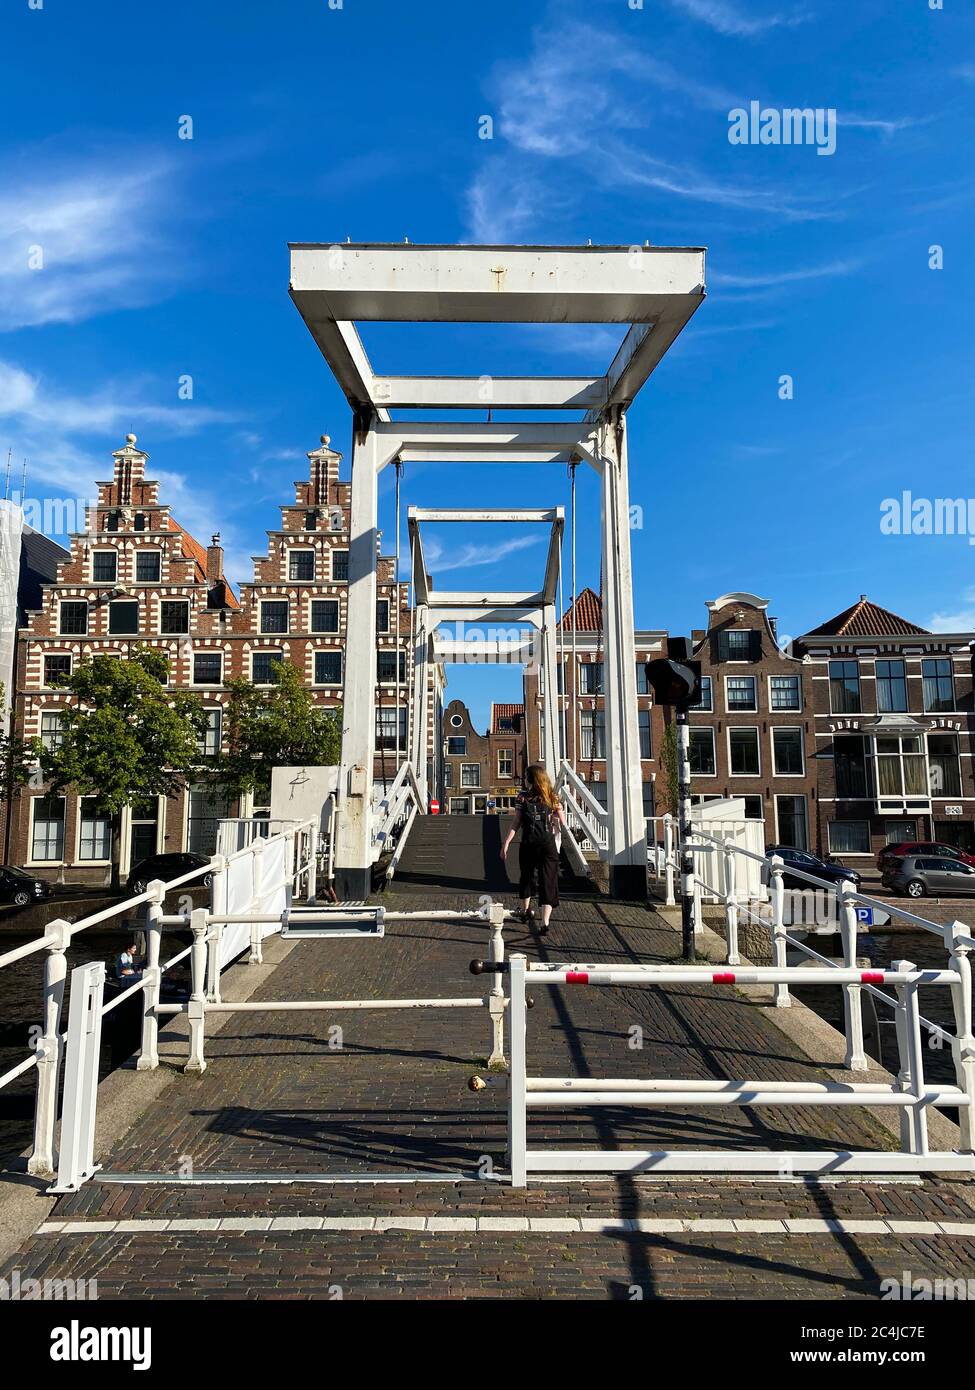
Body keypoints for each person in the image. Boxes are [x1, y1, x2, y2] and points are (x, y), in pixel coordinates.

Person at [500, 763, 567, 933]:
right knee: (548, 879)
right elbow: (563, 822)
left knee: (527, 876)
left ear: (531, 779)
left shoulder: (522, 798)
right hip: (547, 844)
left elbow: (516, 822)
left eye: (525, 776)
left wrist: (506, 842)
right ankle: (545, 922)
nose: (523, 778)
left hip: (529, 842)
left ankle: (526, 911)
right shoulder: (552, 796)